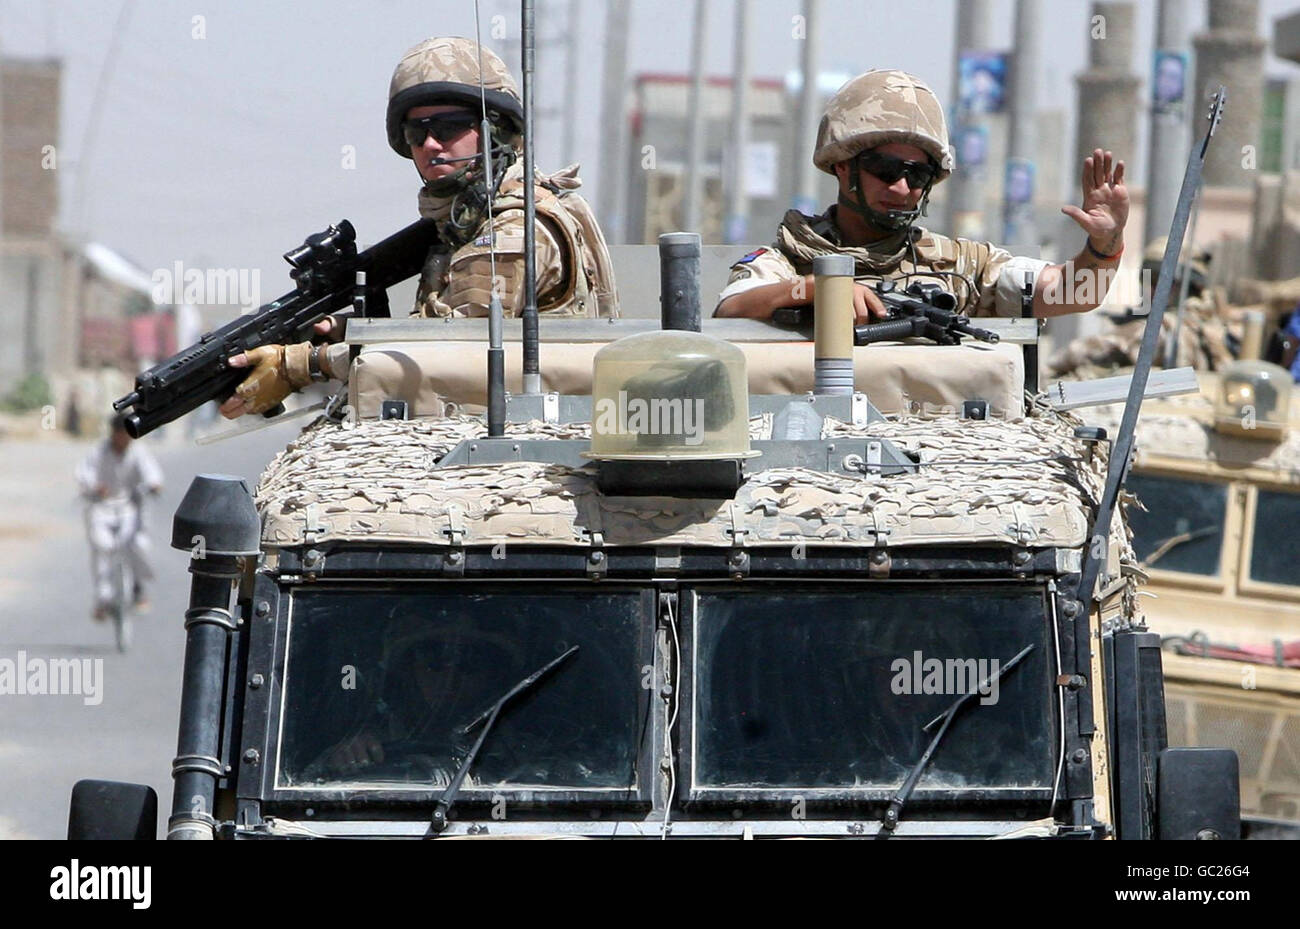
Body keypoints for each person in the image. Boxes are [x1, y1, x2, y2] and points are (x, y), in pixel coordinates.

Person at [220, 36, 618, 419]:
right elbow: (437, 329)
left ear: (495, 129)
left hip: (522, 432)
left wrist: (302, 365)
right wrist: (353, 333)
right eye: (417, 133)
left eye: (447, 128)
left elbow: (449, 350)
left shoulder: (511, 229)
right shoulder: (464, 224)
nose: (430, 144)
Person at [714, 69, 1130, 325]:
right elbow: (730, 311)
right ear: (843, 166)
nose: (901, 188)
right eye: (885, 169)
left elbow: (1074, 293)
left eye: (918, 174)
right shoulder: (790, 261)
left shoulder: (962, 266)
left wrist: (1104, 245)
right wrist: (814, 291)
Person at [76, 414, 163, 620]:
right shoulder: (99, 452)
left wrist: (153, 485)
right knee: (102, 548)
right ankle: (103, 600)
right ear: (113, 434)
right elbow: (83, 474)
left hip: (129, 508)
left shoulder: (138, 452)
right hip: (101, 507)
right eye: (121, 435)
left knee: (137, 545)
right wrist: (94, 487)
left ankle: (138, 588)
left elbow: (152, 474)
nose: (124, 440)